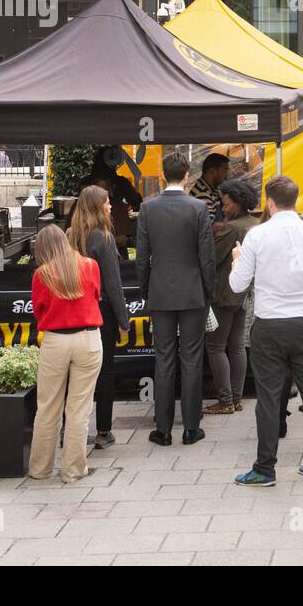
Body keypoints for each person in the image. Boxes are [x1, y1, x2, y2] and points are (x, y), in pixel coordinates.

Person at [231, 176, 303, 486]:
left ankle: (265, 468)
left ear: (269, 202)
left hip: (269, 325)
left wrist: (236, 262)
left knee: (268, 398)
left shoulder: (257, 235)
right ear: (296, 200)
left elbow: (238, 285)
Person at [135, 152, 216, 447]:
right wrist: (209, 290)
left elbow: (142, 256)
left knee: (164, 358)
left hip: (160, 291)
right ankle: (191, 428)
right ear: (186, 175)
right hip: (193, 290)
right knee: (192, 358)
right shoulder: (197, 208)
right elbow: (206, 255)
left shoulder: (148, 208)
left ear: (162, 173)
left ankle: (164, 429)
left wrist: (146, 289)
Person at [28, 224, 104, 484]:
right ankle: (73, 471)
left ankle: (40, 469)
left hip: (56, 341)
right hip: (88, 339)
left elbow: (39, 310)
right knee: (79, 409)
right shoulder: (90, 266)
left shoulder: (42, 274)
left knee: (48, 407)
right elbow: (95, 295)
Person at [67, 186, 131, 450]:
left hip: (74, 309)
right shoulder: (103, 238)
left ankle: (70, 430)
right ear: (97, 207)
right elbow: (113, 285)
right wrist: (124, 320)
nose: (109, 207)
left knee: (76, 372)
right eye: (106, 203)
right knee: (104, 371)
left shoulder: (71, 235)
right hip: (100, 310)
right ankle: (104, 431)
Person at [202, 177, 260, 416]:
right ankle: (236, 397)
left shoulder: (230, 228)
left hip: (224, 293)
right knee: (236, 346)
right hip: (243, 293)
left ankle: (225, 399)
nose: (222, 208)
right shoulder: (253, 223)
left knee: (215, 346)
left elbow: (211, 257)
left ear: (237, 202)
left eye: (225, 204)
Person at [189, 153, 231, 224]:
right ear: (212, 171)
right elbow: (208, 228)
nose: (227, 175)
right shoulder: (202, 194)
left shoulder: (213, 190)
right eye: (224, 170)